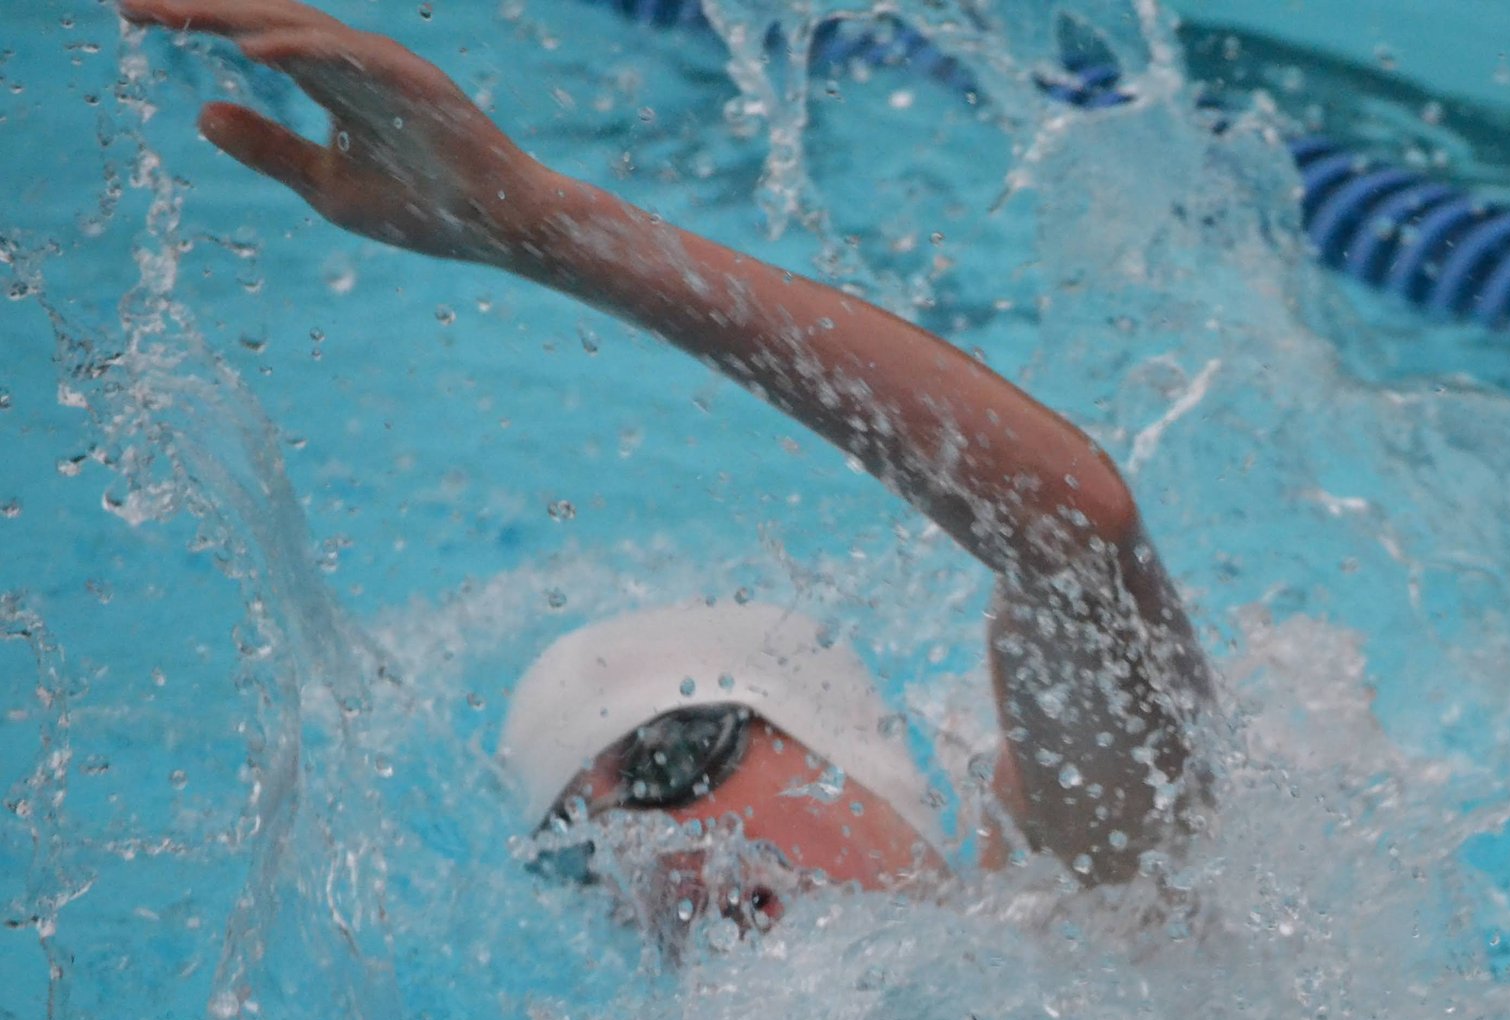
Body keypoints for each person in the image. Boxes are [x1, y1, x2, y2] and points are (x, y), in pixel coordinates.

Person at [123, 0, 1213, 930]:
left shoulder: (1100, 901)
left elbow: (1072, 528)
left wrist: (545, 231)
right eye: (579, 843)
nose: (652, 849)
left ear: (838, 745)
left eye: (673, 760)